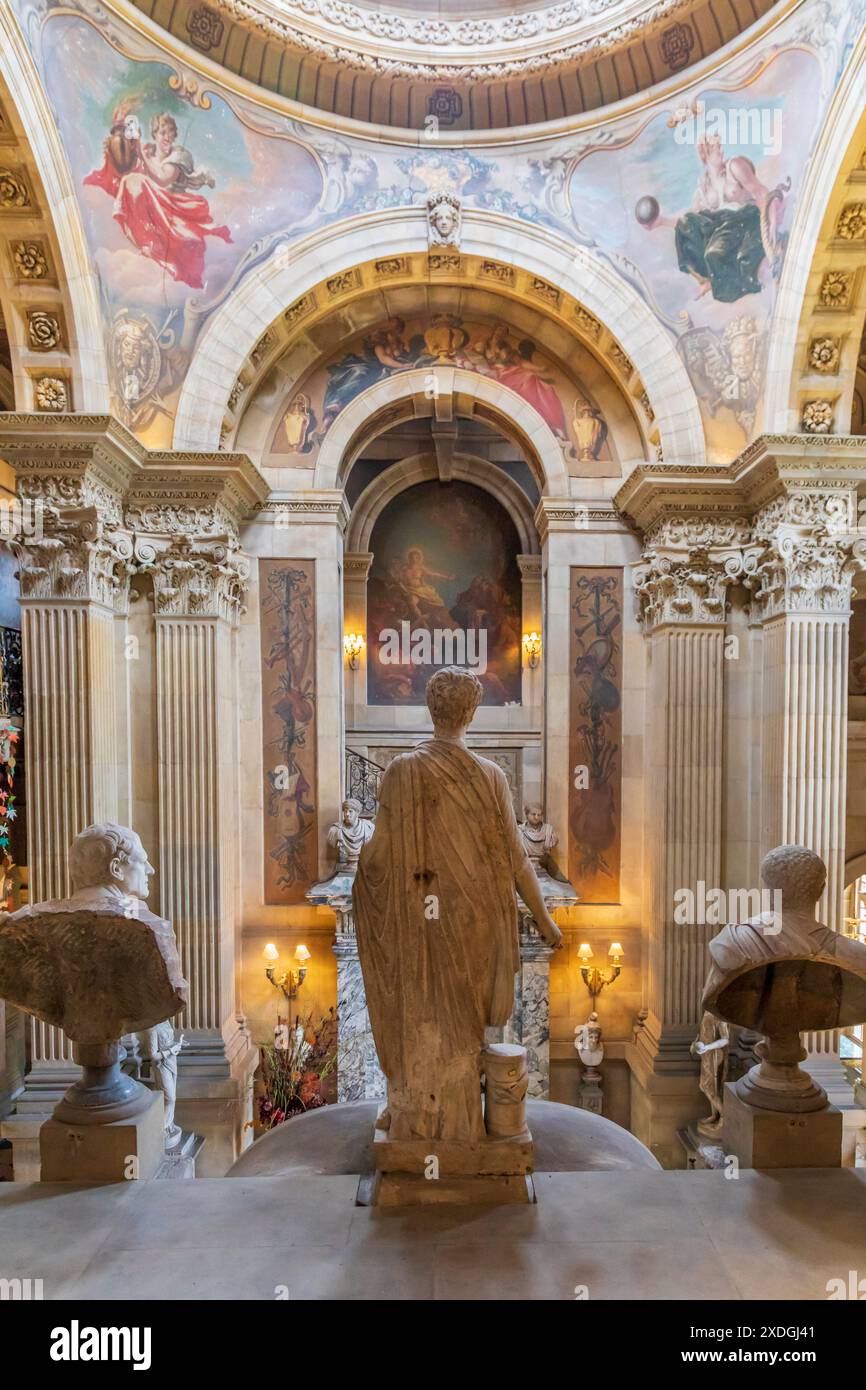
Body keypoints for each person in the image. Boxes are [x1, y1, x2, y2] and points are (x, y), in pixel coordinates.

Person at [353, 667, 561, 1142]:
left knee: (419, 1020)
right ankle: (460, 1127)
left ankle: (417, 1123)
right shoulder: (491, 778)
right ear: (472, 712)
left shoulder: (402, 772)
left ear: (431, 710)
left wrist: (368, 878)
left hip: (418, 928)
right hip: (473, 928)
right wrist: (545, 921)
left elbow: (377, 861)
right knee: (464, 1033)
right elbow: (517, 862)